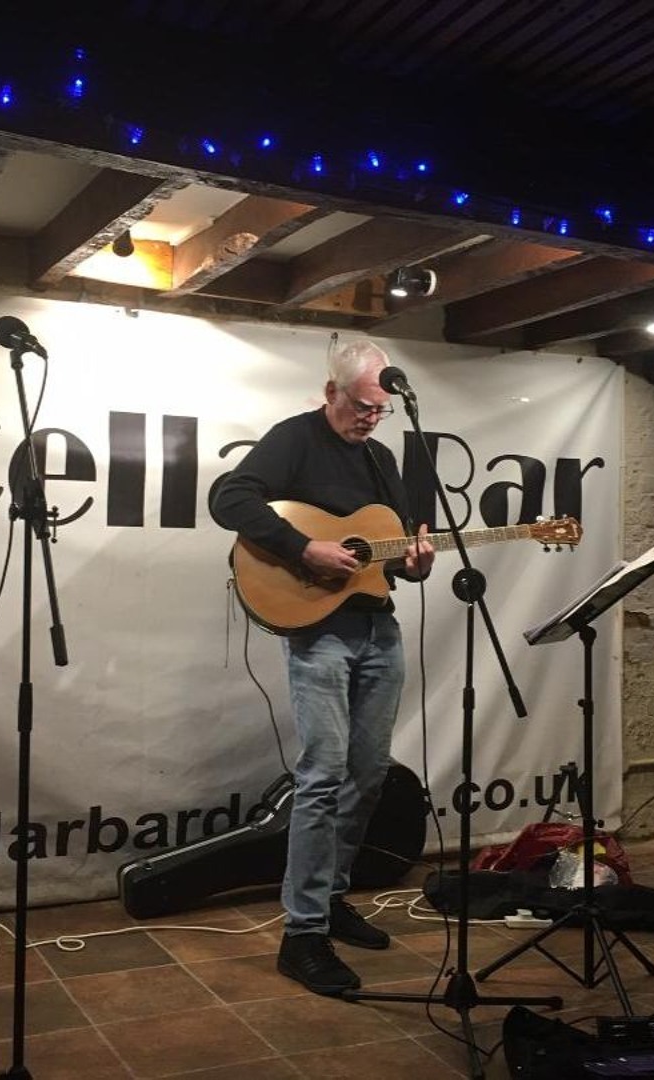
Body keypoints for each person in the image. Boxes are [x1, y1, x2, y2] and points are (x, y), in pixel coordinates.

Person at [212, 339, 435, 996]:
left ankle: (331, 897)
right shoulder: (296, 438)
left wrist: (414, 564)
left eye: (382, 409)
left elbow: (387, 557)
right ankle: (302, 934)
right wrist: (303, 547)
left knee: (367, 774)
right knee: (322, 776)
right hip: (319, 635)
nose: (371, 419)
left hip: (378, 629)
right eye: (363, 405)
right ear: (332, 390)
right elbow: (229, 497)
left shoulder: (381, 459)